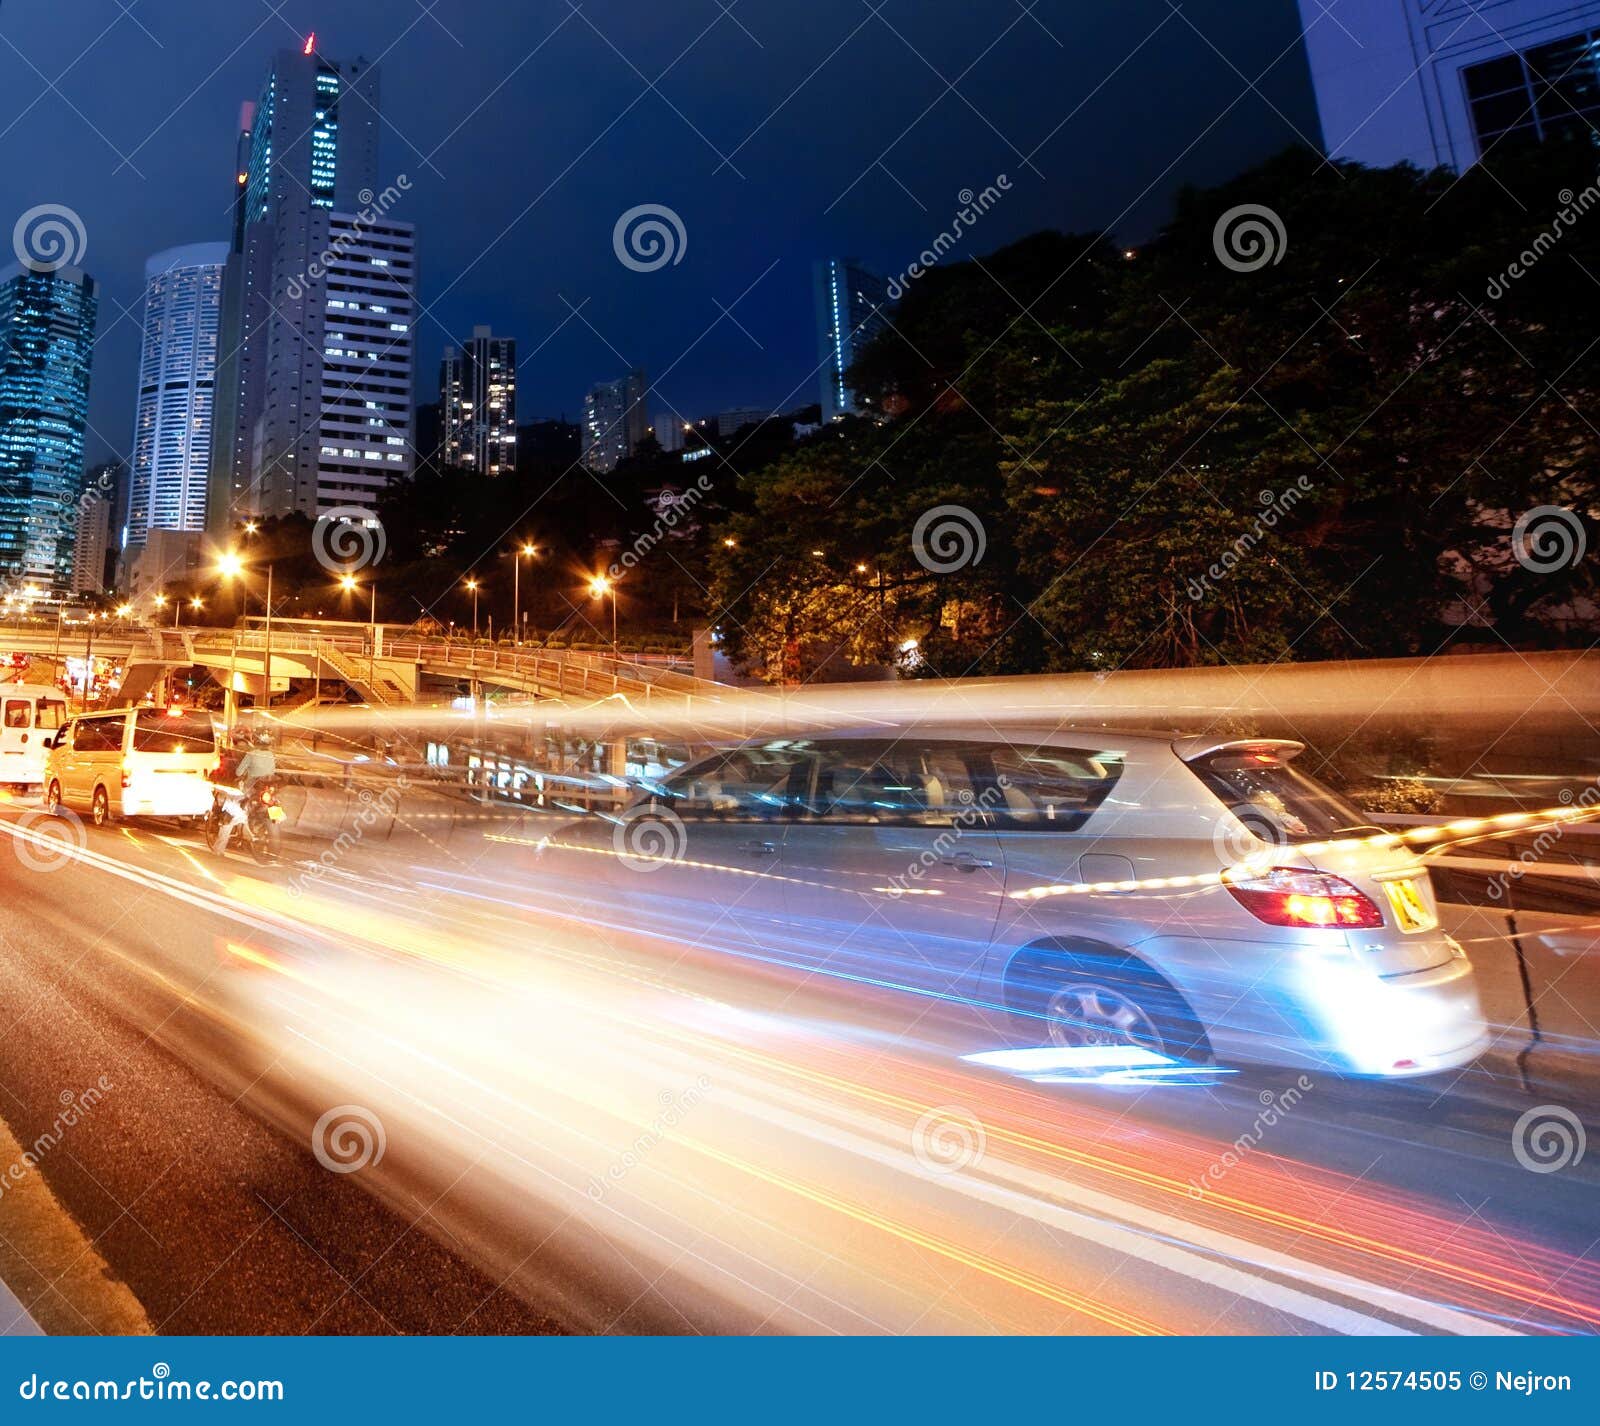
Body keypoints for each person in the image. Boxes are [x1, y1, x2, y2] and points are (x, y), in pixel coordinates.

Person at [213, 731, 277, 854]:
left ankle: (219, 849)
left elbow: (238, 772)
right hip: (267, 789)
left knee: (230, 811)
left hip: (251, 788)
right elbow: (272, 771)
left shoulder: (250, 754)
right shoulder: (271, 755)